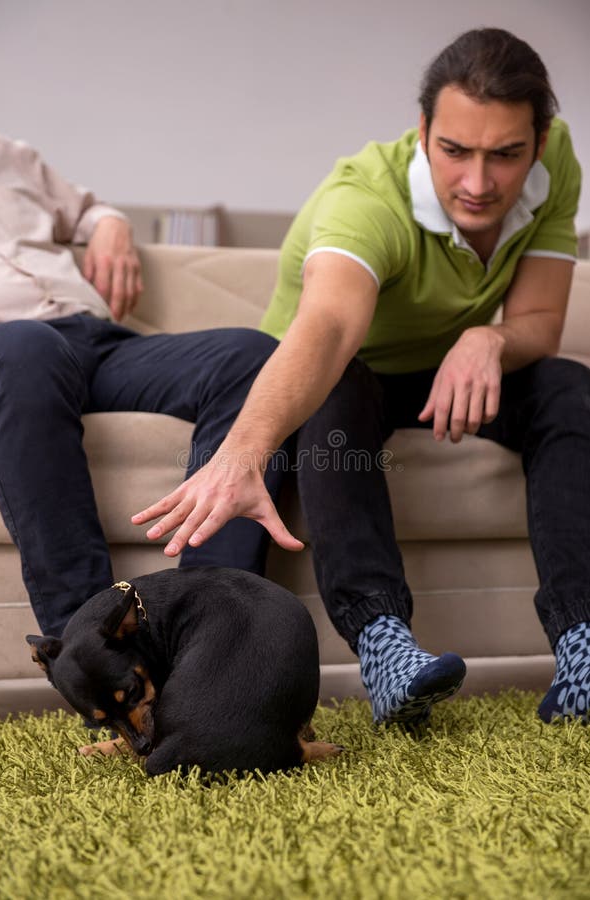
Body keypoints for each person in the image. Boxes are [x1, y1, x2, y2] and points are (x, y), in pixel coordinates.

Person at [134, 27, 590, 727]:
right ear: (421, 131)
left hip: (446, 378)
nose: (477, 182)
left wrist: (487, 337)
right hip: (347, 379)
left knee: (565, 383)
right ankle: (383, 645)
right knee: (337, 384)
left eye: (505, 155)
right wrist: (245, 451)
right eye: (454, 151)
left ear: (539, 139)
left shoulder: (557, 163)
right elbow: (327, 330)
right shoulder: (363, 200)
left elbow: (537, 317)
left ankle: (581, 645)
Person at [0, 133, 286, 638]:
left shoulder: (10, 156)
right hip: (10, 352)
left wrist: (111, 226)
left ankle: (207, 626)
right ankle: (92, 640)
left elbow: (91, 211)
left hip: (96, 339)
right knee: (24, 347)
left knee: (253, 357)